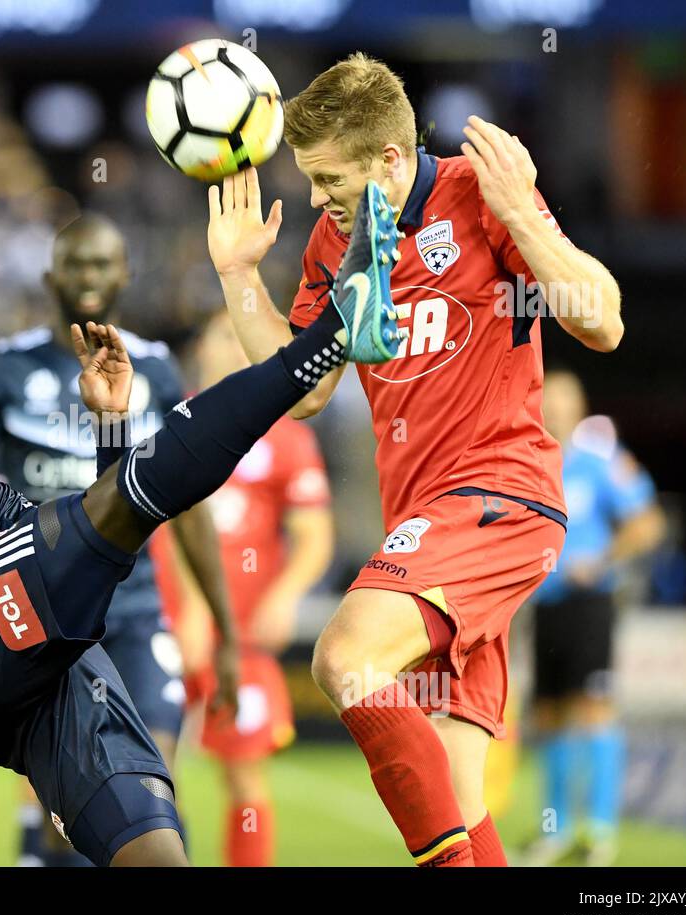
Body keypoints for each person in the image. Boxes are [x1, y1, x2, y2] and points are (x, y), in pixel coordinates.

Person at [0, 182, 400, 866]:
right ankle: (333, 335)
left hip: (39, 677)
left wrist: (113, 426)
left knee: (155, 846)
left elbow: (101, 540)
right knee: (98, 519)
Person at [205, 52, 623, 866]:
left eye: (329, 178)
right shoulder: (337, 237)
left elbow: (603, 321)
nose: (317, 199)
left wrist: (524, 215)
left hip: (501, 498)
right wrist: (238, 275)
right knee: (460, 795)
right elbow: (304, 391)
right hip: (428, 525)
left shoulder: (478, 194)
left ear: (390, 160)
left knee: (345, 655)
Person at [0, 214, 239, 866]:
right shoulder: (4, 370)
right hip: (46, 616)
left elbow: (188, 511)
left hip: (133, 614)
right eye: (75, 264)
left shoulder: (157, 373)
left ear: (125, 274)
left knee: (150, 790)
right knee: (68, 816)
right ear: (51, 276)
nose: (88, 277)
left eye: (101, 264)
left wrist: (226, 631)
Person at [156, 308, 335, 866]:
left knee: (246, 776)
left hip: (242, 635)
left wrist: (285, 596)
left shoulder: (285, 435)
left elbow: (314, 534)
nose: (234, 346)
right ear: (200, 349)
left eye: (244, 336)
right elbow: (162, 517)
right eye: (223, 335)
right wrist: (188, 611)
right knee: (151, 778)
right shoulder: (169, 420)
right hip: (162, 626)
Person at [524, 368, 664, 866]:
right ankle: (555, 832)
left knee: (593, 708)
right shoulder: (530, 463)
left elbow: (649, 523)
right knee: (549, 714)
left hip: (589, 605)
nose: (556, 408)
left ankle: (599, 834)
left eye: (565, 399)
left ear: (580, 408)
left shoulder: (601, 463)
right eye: (550, 398)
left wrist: (603, 562)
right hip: (544, 604)